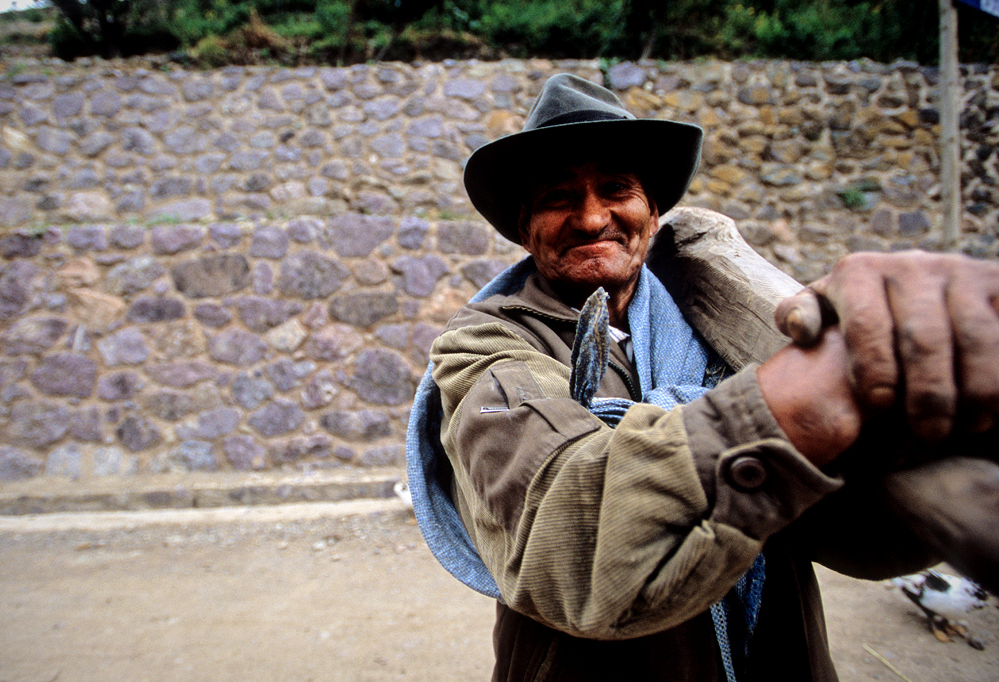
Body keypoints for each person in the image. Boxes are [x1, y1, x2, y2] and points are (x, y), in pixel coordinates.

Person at [405, 74, 999, 681]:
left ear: (653, 211)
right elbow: (573, 546)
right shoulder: (484, 347)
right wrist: (811, 392)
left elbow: (850, 536)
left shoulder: (723, 328)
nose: (590, 217)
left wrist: (928, 415)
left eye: (616, 188)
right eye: (559, 197)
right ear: (525, 227)